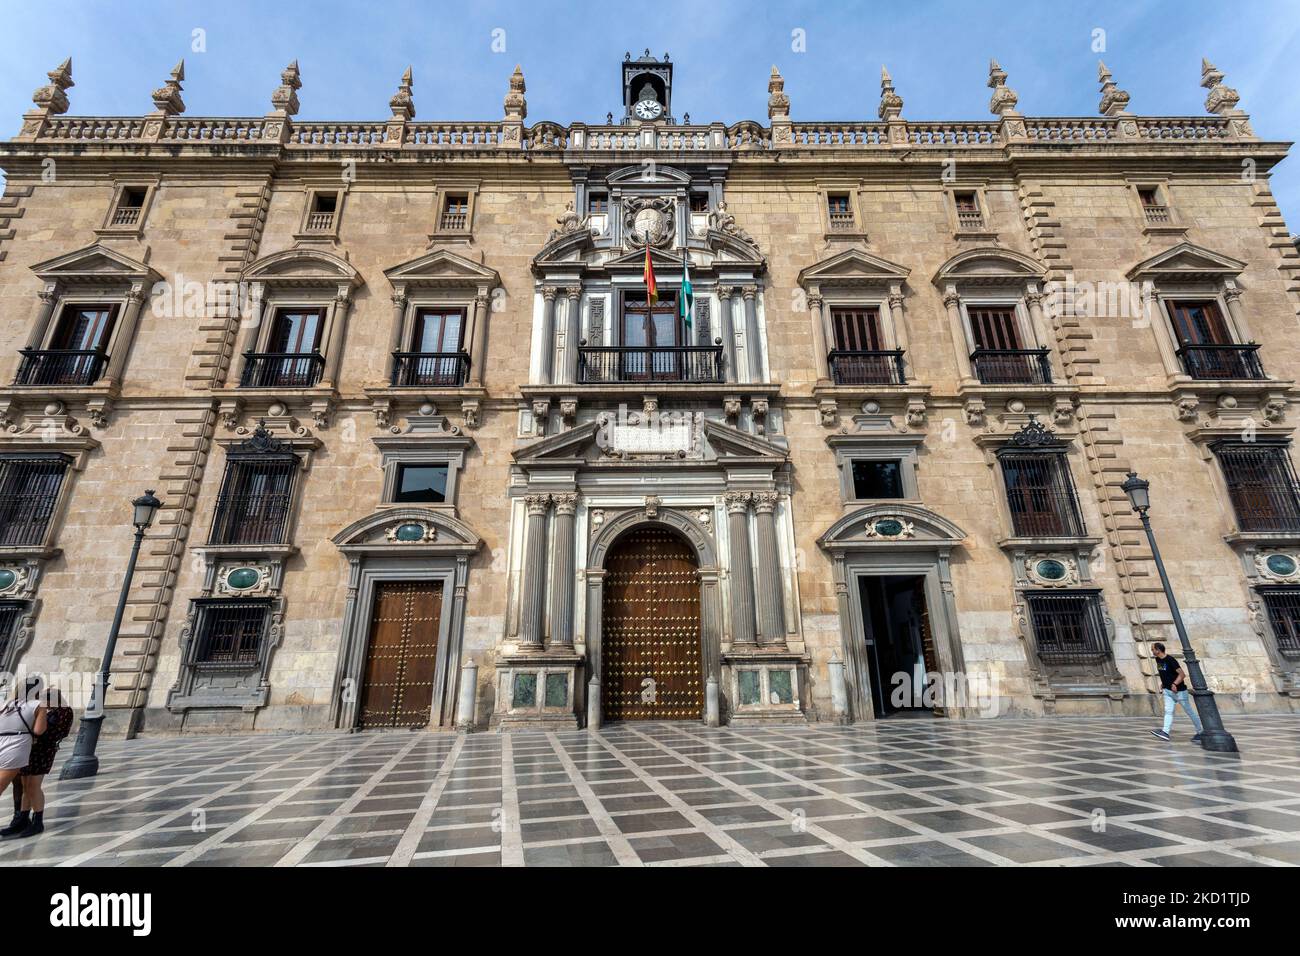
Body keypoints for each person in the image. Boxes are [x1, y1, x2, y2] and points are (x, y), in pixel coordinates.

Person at [3, 677, 75, 838]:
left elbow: (58, 732)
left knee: (33, 785)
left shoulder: (64, 711)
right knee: (25, 785)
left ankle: (37, 821)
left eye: (46, 699)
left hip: (43, 751)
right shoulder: (42, 709)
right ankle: (21, 819)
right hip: (29, 749)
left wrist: (36, 734)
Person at [0, 686, 47, 826]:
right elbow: (39, 731)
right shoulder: (38, 705)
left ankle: (20, 818)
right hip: (15, 747)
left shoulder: (6, 704)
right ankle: (24, 819)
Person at [1149, 642, 1203, 743]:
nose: (1152, 651)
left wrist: (1174, 683)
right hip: (1167, 690)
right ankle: (1165, 732)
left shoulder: (1170, 660)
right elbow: (1164, 673)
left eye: (1153, 649)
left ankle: (1201, 732)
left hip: (1179, 691)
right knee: (1168, 711)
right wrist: (1163, 683)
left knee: (1189, 711)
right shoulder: (1158, 659)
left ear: (1158, 650)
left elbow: (1182, 674)